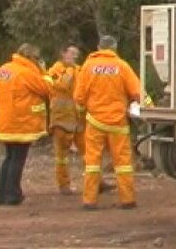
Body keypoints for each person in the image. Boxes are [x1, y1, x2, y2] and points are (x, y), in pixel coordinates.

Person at [73, 35, 141, 210]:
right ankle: (127, 199)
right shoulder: (122, 66)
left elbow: (78, 96)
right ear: (114, 48)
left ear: (98, 47)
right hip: (118, 123)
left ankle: (89, 200)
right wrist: (151, 107)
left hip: (95, 122)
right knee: (123, 163)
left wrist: (82, 111)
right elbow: (137, 92)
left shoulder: (88, 67)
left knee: (93, 163)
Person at [0, 43, 51, 206]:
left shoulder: (5, 69)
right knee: (17, 159)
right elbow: (47, 89)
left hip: (4, 122)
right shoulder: (27, 73)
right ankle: (12, 195)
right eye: (37, 58)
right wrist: (44, 72)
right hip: (21, 123)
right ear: (31, 58)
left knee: (9, 158)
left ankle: (1, 195)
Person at [47, 43, 85, 194]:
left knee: (88, 152)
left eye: (77, 54)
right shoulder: (54, 70)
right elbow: (61, 85)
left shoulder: (79, 69)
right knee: (62, 155)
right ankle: (64, 185)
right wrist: (69, 71)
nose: (75, 56)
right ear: (63, 53)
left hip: (78, 119)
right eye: (72, 53)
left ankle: (96, 182)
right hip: (61, 119)